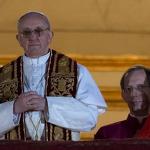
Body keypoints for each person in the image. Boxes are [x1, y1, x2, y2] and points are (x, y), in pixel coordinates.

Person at [0, 11, 107, 141]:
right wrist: (14, 108)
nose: (33, 37)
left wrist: (47, 105)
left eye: (39, 30)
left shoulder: (76, 72)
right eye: (26, 32)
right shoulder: (2, 76)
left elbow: (90, 118)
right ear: (19, 39)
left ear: (50, 36)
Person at [95, 65, 150, 139]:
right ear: (123, 95)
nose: (133, 94)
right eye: (129, 89)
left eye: (141, 87)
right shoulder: (107, 134)